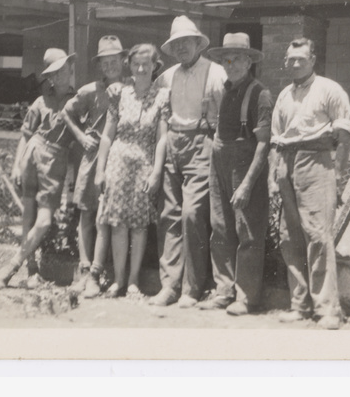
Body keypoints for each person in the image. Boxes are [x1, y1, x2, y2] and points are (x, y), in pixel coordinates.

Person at [270, 37, 350, 329]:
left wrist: (339, 178)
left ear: (312, 60)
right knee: (289, 237)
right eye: (290, 59)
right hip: (286, 163)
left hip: (317, 163)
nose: (294, 64)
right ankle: (299, 305)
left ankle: (327, 309)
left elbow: (343, 138)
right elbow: (276, 140)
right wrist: (274, 175)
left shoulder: (330, 90)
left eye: (300, 59)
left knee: (318, 236)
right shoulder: (284, 96)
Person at [149, 16, 227, 307]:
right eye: (176, 44)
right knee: (168, 214)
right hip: (171, 142)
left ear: (198, 43)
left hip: (201, 142)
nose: (181, 48)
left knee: (192, 214)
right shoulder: (167, 77)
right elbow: (151, 102)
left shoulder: (216, 73)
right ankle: (169, 285)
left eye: (186, 42)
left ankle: (191, 288)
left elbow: (229, 111)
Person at [202, 33, 275, 315]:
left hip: (245, 166)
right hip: (219, 161)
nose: (231, 65)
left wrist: (246, 184)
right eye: (226, 60)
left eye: (237, 60)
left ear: (249, 62)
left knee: (248, 231)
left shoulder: (260, 94)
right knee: (220, 228)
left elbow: (264, 144)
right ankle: (223, 291)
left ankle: (245, 297)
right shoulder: (225, 90)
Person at [0, 48, 76, 290]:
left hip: (55, 161)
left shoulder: (77, 100)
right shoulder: (41, 102)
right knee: (28, 215)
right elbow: (26, 135)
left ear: (70, 70)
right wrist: (18, 164)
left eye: (63, 70)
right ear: (49, 77)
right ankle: (31, 269)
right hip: (32, 153)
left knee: (44, 219)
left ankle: (11, 266)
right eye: (54, 73)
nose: (59, 76)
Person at [92, 43, 168, 299]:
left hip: (144, 165)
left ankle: (134, 281)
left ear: (155, 66)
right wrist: (100, 169)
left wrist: (157, 171)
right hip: (117, 163)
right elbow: (107, 135)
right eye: (136, 63)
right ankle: (118, 280)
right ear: (130, 66)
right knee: (117, 224)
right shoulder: (120, 94)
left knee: (139, 225)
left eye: (146, 63)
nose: (141, 68)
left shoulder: (162, 97)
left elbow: (161, 138)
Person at [61, 35, 127, 298]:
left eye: (115, 60)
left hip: (119, 160)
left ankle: (104, 274)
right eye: (105, 62)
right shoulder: (90, 90)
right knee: (88, 215)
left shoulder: (132, 87)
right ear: (100, 65)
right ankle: (85, 271)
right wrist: (80, 136)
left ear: (123, 61)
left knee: (112, 218)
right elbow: (66, 111)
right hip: (92, 160)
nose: (110, 66)